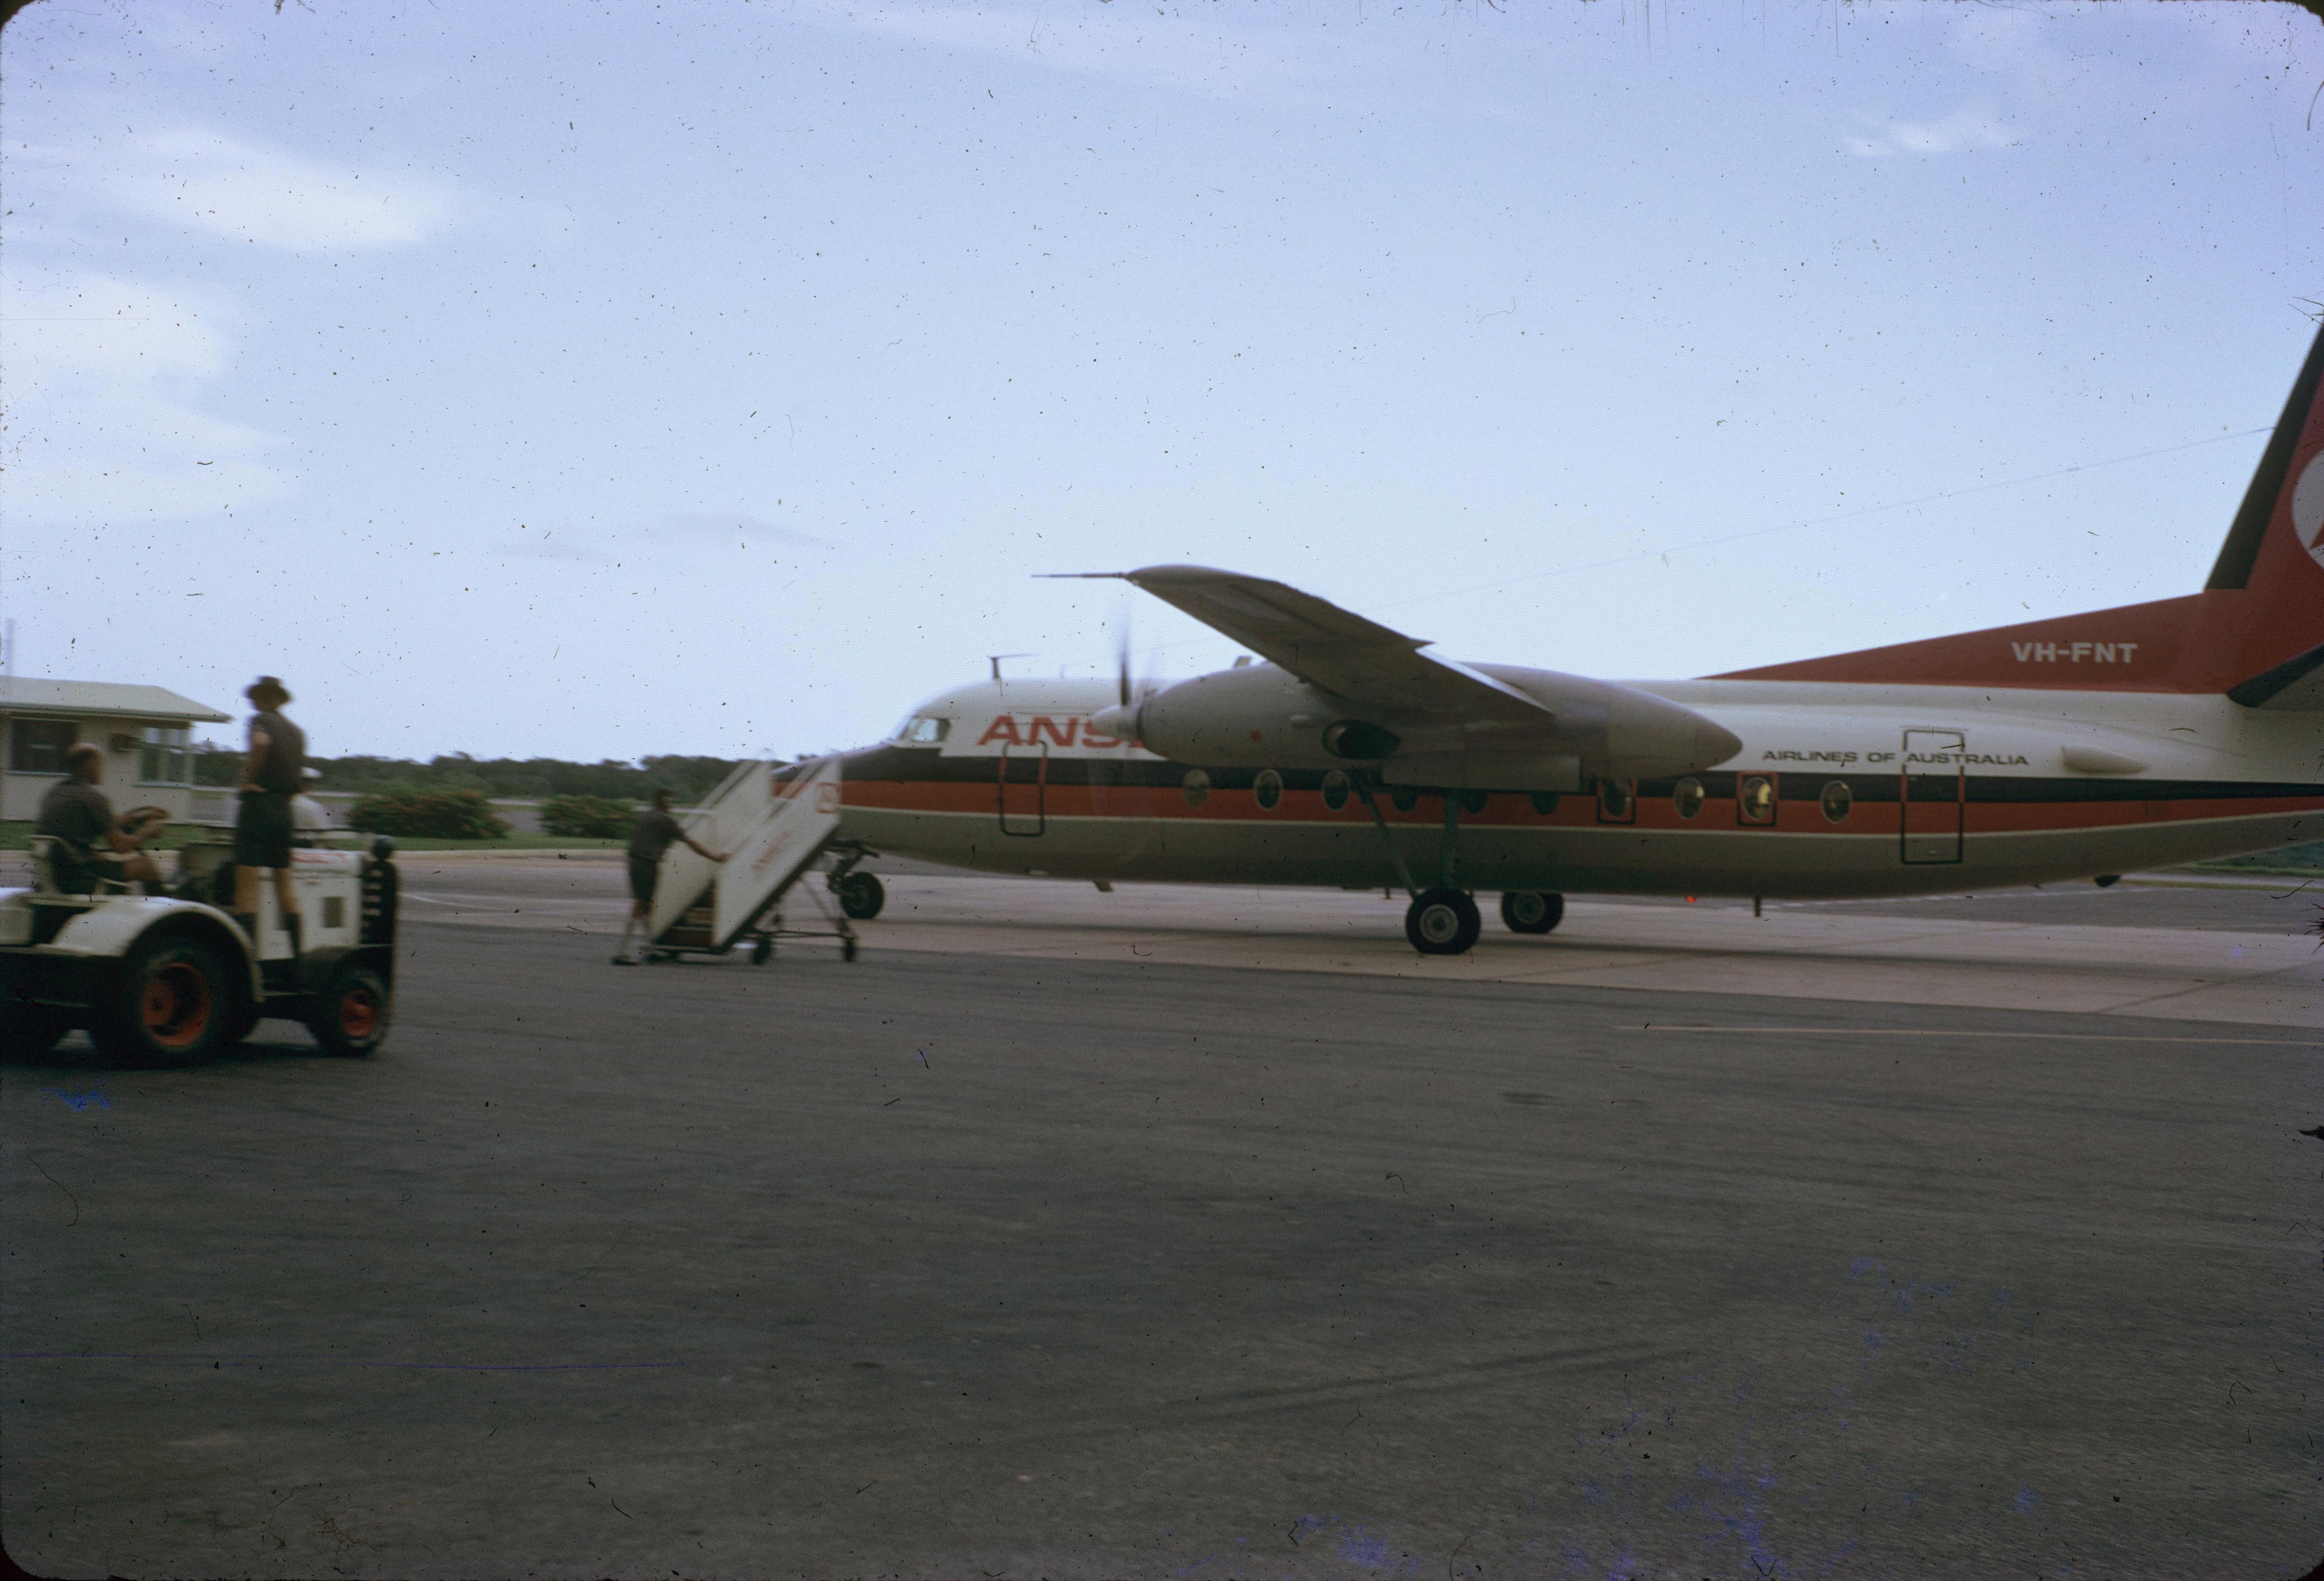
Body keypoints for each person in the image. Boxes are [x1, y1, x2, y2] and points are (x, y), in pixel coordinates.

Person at [232, 676, 308, 952]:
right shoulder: (297, 732)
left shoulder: (260, 720)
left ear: (263, 698)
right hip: (284, 809)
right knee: (285, 887)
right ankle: (296, 957)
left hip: (258, 806)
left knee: (247, 889)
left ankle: (247, 960)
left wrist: (247, 781)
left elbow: (261, 743)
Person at [611, 788, 726, 965]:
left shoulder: (645, 816)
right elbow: (690, 843)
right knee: (640, 906)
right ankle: (621, 953)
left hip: (635, 862)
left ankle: (651, 948)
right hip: (648, 864)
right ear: (667, 801)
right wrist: (714, 858)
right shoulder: (665, 820)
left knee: (646, 906)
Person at [35, 743, 167, 894]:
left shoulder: (56, 793)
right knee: (145, 866)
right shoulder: (92, 797)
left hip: (60, 873)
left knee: (107, 862)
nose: (102, 769)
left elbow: (106, 821)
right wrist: (148, 833)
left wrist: (141, 817)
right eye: (100, 764)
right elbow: (121, 847)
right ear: (90, 764)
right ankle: (170, 907)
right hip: (81, 878)